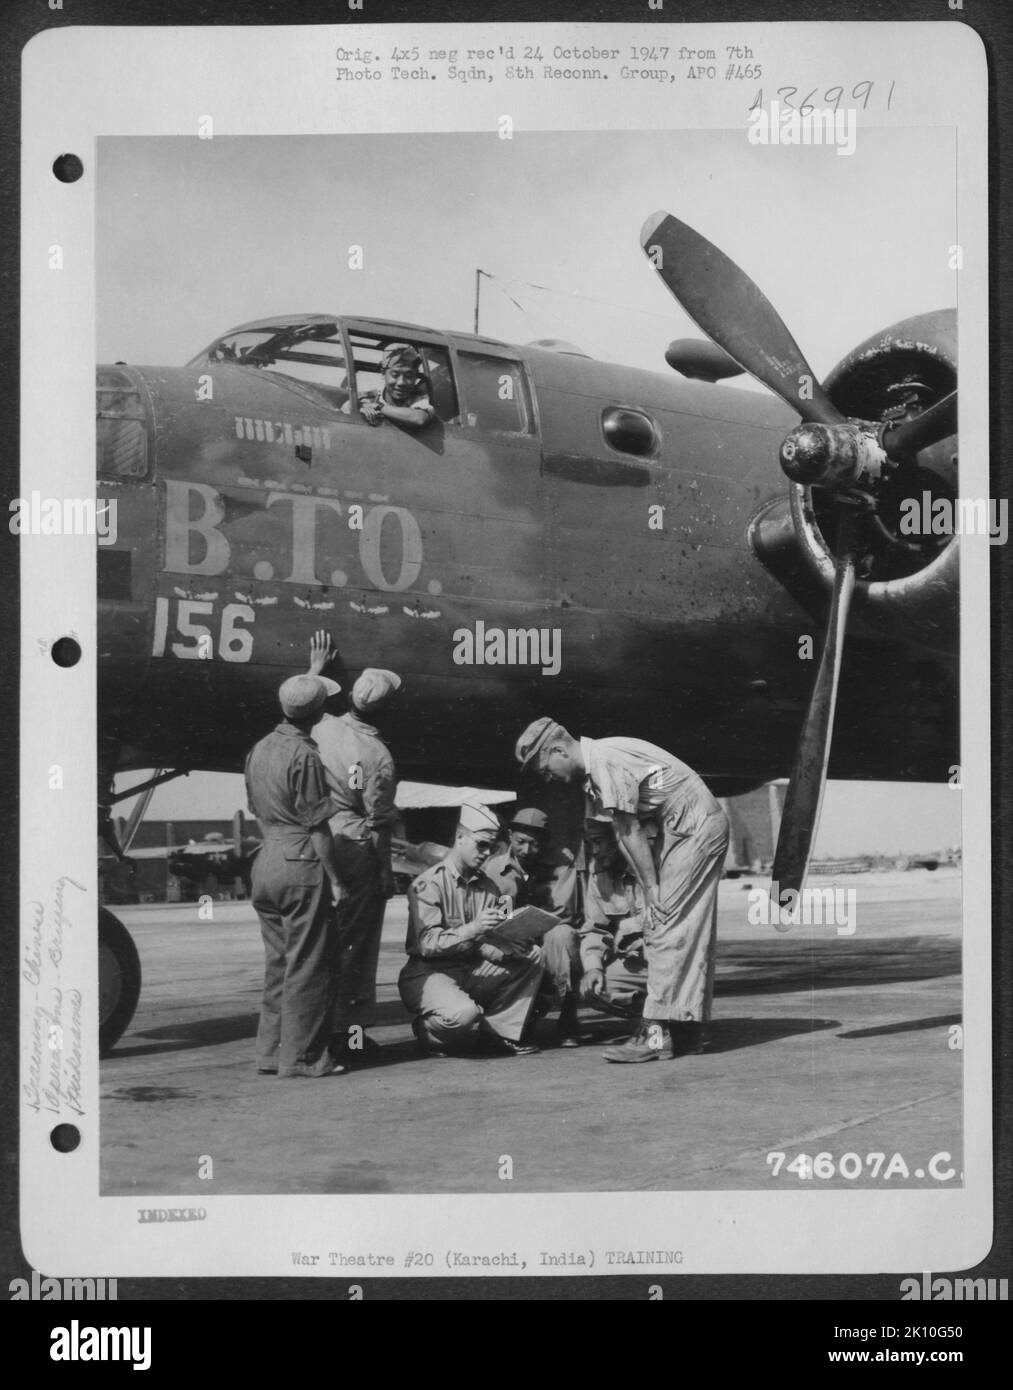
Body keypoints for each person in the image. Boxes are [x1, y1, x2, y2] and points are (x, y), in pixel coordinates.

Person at [515, 717, 730, 1063]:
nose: (547, 777)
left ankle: (653, 1037)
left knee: (664, 927)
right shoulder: (600, 765)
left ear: (558, 749)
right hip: (686, 827)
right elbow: (620, 831)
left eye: (545, 768)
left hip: (693, 828)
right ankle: (689, 1033)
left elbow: (628, 830)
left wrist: (652, 888)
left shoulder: (604, 761)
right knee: (685, 932)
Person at [244, 673, 346, 1079]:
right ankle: (303, 1059)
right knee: (308, 964)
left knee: (278, 962)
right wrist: (336, 878)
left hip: (265, 858)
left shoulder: (258, 749)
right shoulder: (305, 756)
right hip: (300, 862)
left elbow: (255, 807)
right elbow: (318, 827)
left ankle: (270, 1053)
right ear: (318, 714)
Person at [307, 633, 401, 1063]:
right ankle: (353, 1042)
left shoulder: (320, 726)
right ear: (386, 709)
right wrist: (383, 871)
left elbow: (298, 703)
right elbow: (378, 821)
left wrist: (315, 669)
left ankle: (314, 1033)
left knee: (324, 946)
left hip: (320, 843)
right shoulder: (376, 755)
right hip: (356, 852)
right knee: (357, 953)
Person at [398, 801, 545, 1057]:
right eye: (481, 845)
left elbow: (486, 944)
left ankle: (497, 1033)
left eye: (491, 847)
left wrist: (507, 947)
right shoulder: (429, 884)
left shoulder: (488, 886)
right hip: (430, 972)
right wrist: (474, 928)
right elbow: (427, 943)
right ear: (460, 837)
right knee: (463, 1017)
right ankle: (427, 1030)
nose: (486, 853)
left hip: (471, 967)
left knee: (533, 955)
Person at [485, 807, 584, 1045]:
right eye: (521, 842)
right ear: (510, 835)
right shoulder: (495, 868)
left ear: (546, 842)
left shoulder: (562, 862)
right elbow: (499, 914)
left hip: (549, 931)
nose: (527, 850)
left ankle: (568, 1016)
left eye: (535, 844)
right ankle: (517, 1015)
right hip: (514, 937)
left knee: (563, 936)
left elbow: (562, 911)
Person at [578, 819, 654, 1016]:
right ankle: (648, 1017)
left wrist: (632, 930)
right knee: (595, 990)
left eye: (598, 842)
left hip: (665, 958)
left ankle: (665, 1022)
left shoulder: (653, 867)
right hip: (635, 964)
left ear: (618, 839)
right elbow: (595, 929)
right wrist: (593, 968)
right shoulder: (598, 874)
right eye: (589, 844)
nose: (594, 851)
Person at [350, 342, 436, 429]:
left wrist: (379, 407)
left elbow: (419, 418)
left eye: (408, 376)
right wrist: (360, 409)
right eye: (395, 375)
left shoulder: (419, 400)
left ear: (415, 377)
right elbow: (344, 407)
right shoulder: (367, 398)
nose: (401, 382)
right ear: (383, 373)